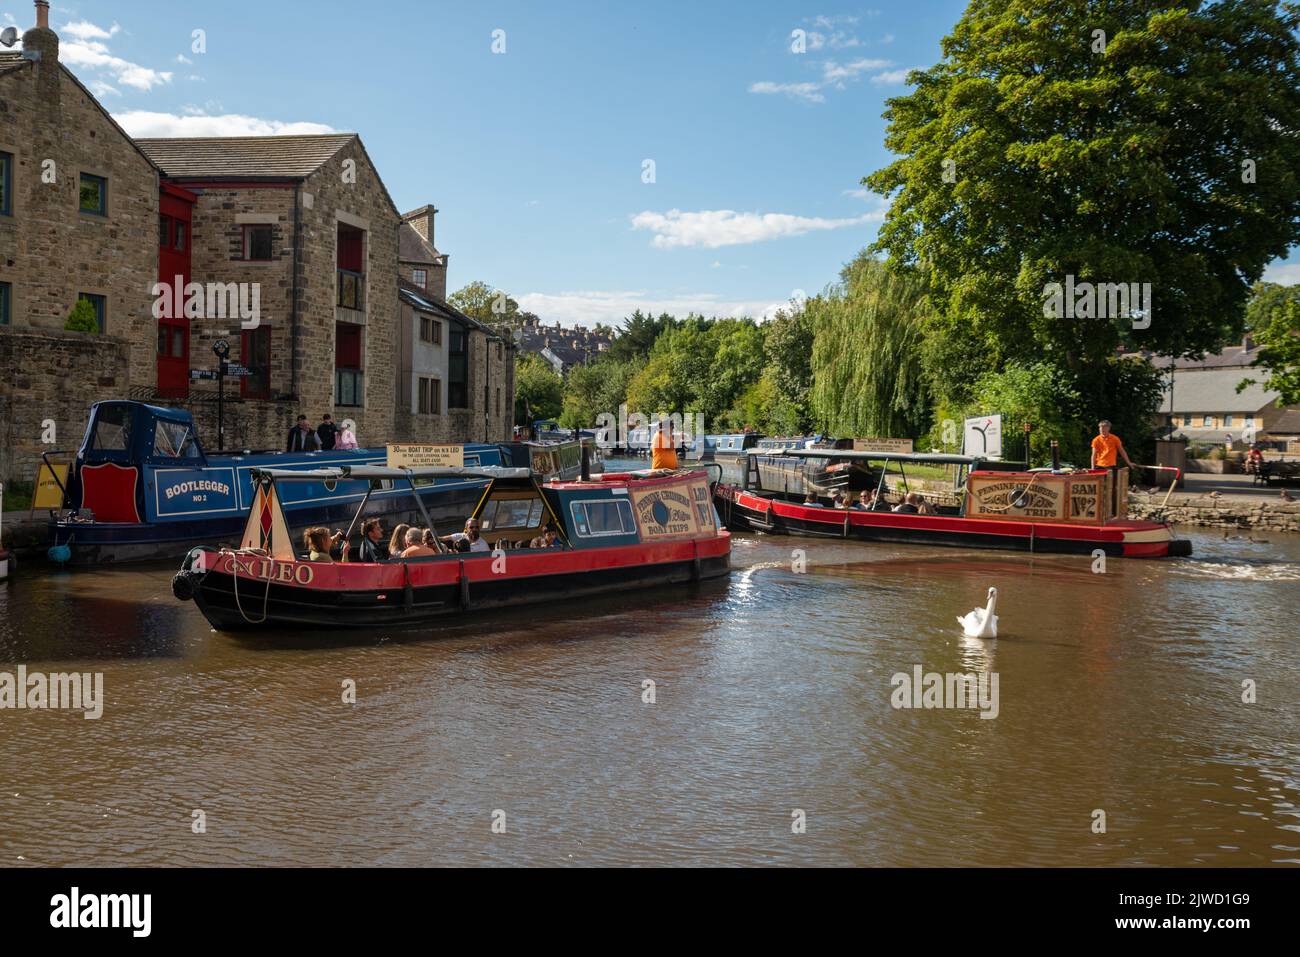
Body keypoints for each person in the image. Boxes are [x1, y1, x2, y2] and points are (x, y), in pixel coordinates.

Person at [1090, 420, 1135, 515]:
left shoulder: (1115, 438)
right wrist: (1092, 468)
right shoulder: (1096, 440)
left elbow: (1122, 451)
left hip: (1110, 466)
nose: (1102, 430)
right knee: (1099, 489)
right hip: (1099, 466)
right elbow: (1093, 455)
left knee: (1112, 488)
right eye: (1100, 428)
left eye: (1104, 428)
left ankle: (1112, 511)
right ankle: (1099, 511)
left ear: (1108, 428)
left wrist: (1129, 462)